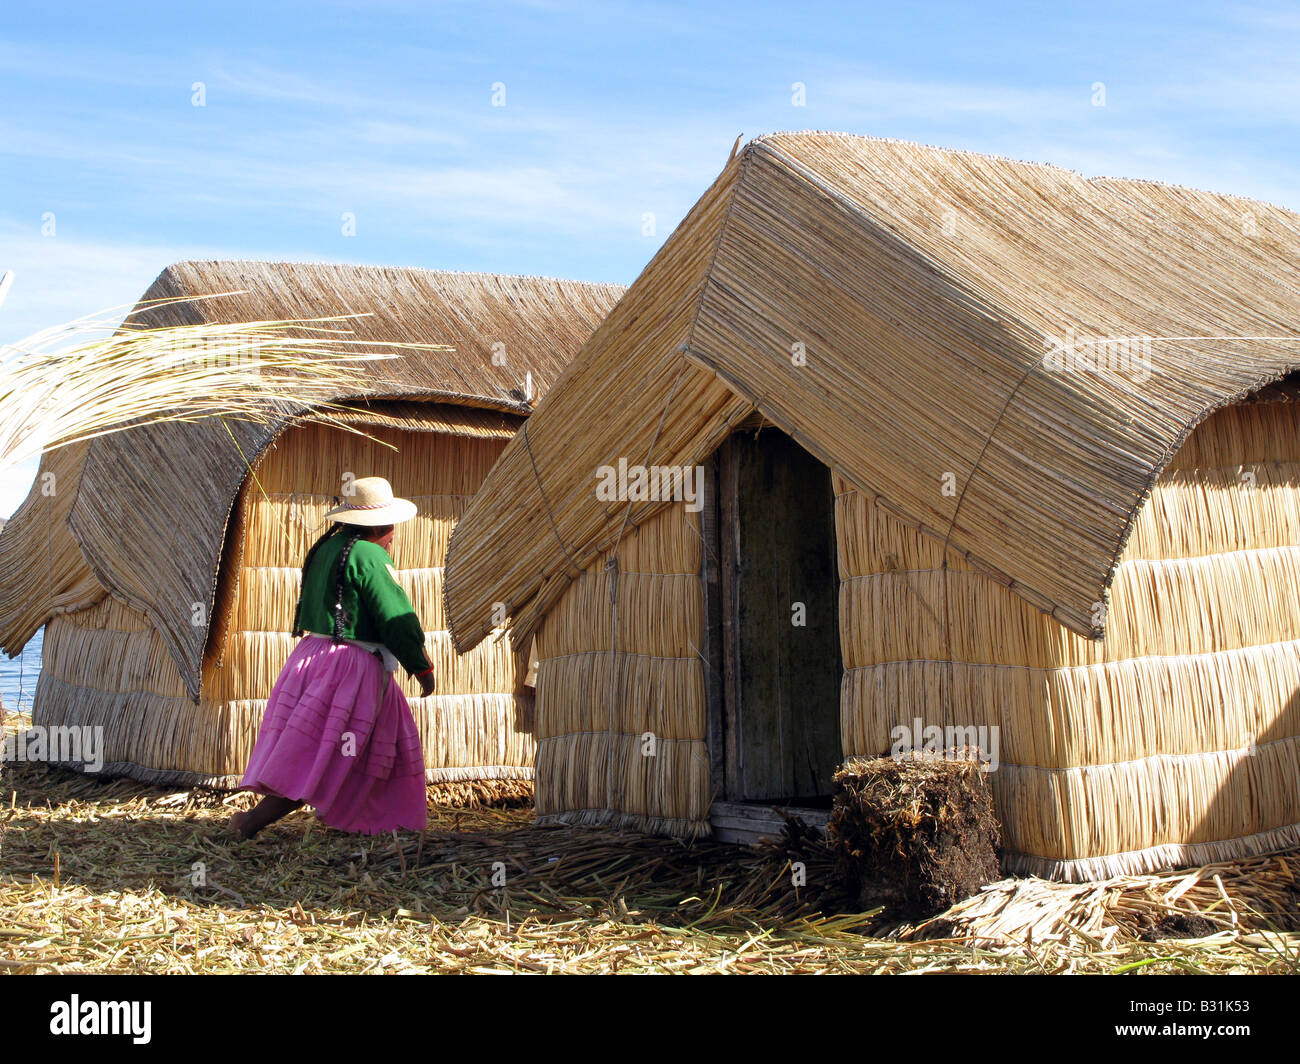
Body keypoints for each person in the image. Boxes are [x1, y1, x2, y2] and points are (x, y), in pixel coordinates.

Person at [230, 476, 436, 840]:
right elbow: (395, 617)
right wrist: (421, 667)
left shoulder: (327, 547)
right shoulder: (368, 554)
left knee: (385, 741)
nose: (393, 536)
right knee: (319, 755)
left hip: (313, 656)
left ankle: (367, 824)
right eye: (391, 527)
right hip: (349, 667)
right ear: (379, 526)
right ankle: (251, 823)